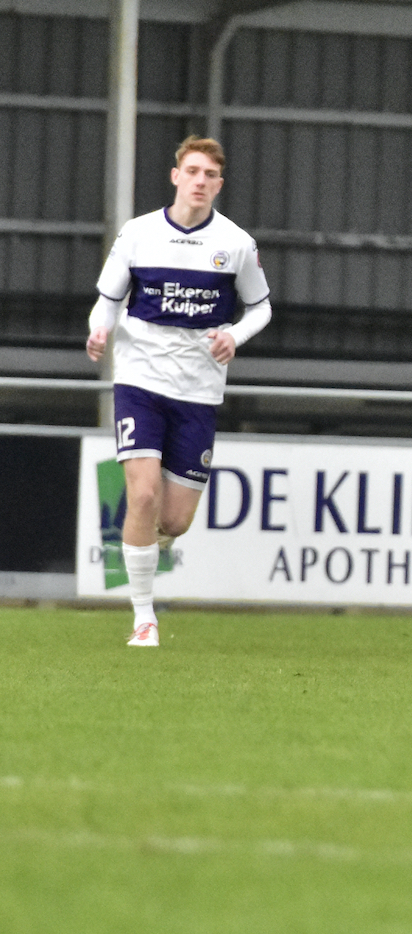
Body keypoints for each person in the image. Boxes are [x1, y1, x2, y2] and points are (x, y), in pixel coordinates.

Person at [85, 136, 272, 647]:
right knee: (141, 495)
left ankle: (141, 545)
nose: (199, 181)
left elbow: (261, 308)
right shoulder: (138, 233)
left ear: (218, 184)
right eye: (191, 171)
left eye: (209, 175)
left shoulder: (235, 244)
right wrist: (99, 330)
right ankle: (144, 617)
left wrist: (235, 333)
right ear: (175, 176)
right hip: (140, 381)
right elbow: (107, 300)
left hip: (198, 392)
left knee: (175, 519)